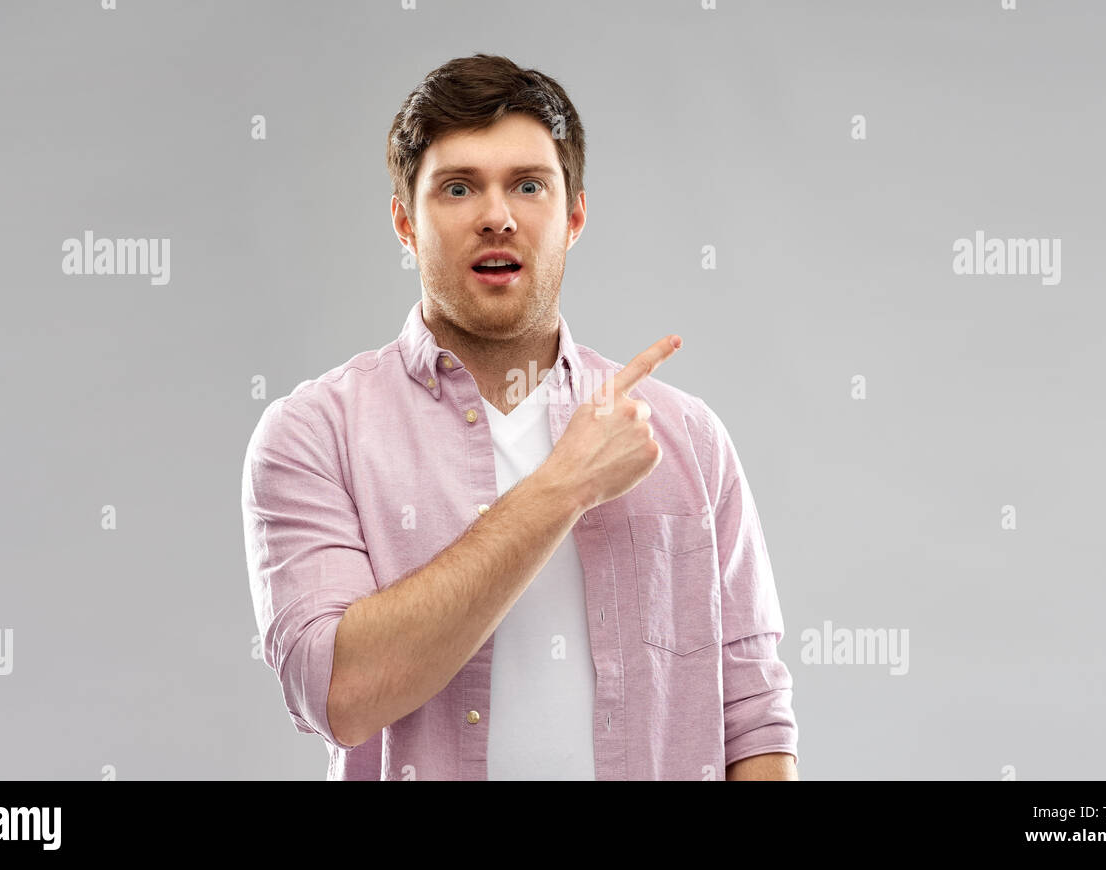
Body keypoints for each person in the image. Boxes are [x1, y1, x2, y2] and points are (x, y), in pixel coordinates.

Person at [241, 53, 798, 781]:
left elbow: (753, 720)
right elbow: (340, 694)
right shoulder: (315, 436)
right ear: (405, 223)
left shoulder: (685, 437)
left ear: (574, 216)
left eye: (528, 185)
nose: (496, 215)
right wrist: (564, 485)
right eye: (458, 187)